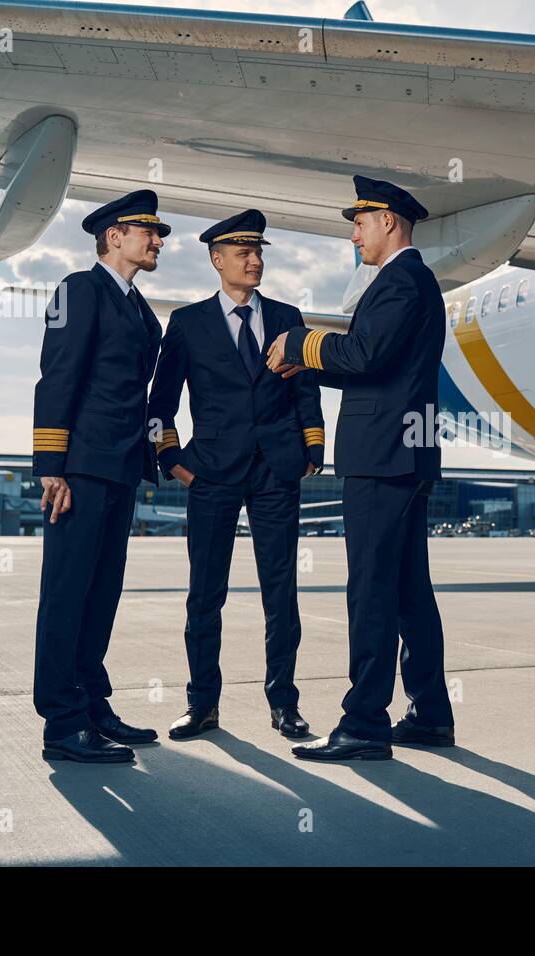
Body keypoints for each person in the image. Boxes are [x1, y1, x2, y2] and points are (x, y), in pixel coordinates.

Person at [267, 175, 454, 762]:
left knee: (371, 591)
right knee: (407, 592)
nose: (354, 233)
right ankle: (429, 714)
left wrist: (299, 345)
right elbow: (368, 361)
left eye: (360, 221)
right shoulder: (410, 282)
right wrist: (312, 362)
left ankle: (365, 724)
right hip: (406, 454)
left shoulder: (400, 282)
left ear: (388, 222)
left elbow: (365, 357)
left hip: (383, 457)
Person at [147, 210, 325, 742]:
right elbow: (160, 402)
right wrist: (171, 459)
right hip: (212, 475)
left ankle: (284, 704)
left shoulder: (290, 317)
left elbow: (306, 391)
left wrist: (311, 446)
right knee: (205, 594)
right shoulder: (187, 323)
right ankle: (202, 705)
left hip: (276, 472)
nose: (255, 261)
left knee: (281, 592)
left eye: (260, 252)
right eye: (243, 253)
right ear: (216, 259)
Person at [33, 190, 167, 763]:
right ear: (116, 236)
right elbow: (56, 377)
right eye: (149, 233)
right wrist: (51, 468)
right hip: (80, 469)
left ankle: (91, 704)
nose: (158, 241)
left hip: (119, 470)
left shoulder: (139, 308)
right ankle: (62, 723)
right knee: (67, 592)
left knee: (101, 592)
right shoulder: (80, 290)